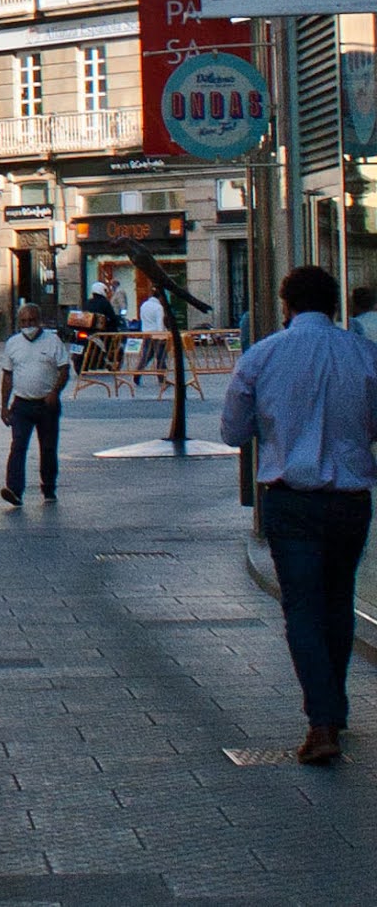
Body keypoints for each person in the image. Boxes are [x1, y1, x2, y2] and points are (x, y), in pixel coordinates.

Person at [221, 264, 377, 765]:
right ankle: (335, 705)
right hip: (350, 498)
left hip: (291, 498)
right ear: (335, 305)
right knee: (338, 599)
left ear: (286, 305)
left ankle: (322, 720)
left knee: (304, 608)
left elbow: (232, 430)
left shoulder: (263, 356)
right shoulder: (364, 354)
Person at [0, 303, 71, 505]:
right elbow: (7, 376)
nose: (28, 325)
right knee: (18, 446)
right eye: (23, 321)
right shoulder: (13, 343)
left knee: (48, 447)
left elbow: (64, 370)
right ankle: (14, 489)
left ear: (39, 321)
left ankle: (48, 488)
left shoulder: (53, 341)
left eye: (31, 321)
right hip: (22, 404)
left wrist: (55, 392)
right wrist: (4, 405)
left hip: (47, 404)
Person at [134, 285, 170, 390]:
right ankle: (162, 378)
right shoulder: (158, 308)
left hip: (146, 334)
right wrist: (163, 336)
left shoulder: (144, 305)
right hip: (157, 335)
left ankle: (138, 372)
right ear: (161, 297)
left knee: (146, 356)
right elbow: (160, 324)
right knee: (161, 357)